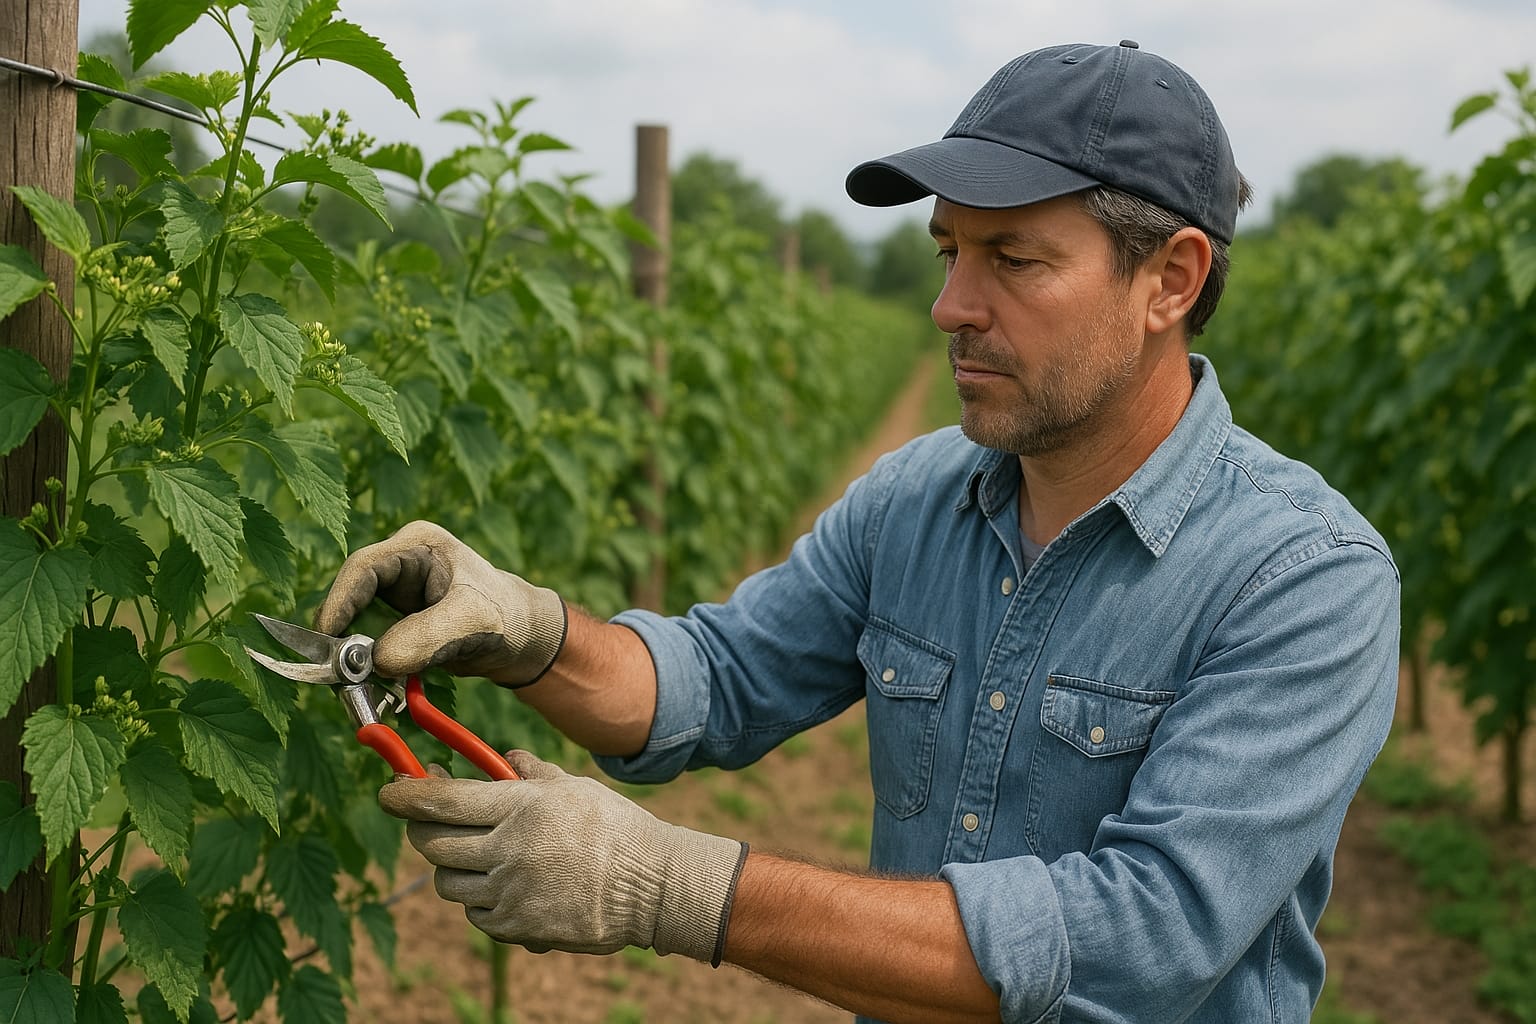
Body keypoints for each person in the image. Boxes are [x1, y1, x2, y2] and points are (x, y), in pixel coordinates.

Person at [316, 40, 1400, 1023]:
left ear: (1172, 279)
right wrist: (533, 632)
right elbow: (715, 678)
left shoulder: (1305, 578)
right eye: (947, 254)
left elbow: (1138, 938)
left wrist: (674, 887)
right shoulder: (914, 500)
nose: (952, 305)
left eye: (1012, 260)